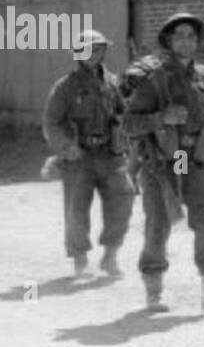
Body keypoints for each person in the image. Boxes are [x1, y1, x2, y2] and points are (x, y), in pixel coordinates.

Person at [122, 12, 204, 313]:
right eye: (180, 36)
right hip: (168, 160)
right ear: (169, 41)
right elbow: (128, 124)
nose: (186, 41)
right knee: (159, 222)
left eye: (191, 35)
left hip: (198, 158)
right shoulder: (154, 79)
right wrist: (161, 118)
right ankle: (154, 293)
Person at [42, 29, 136, 277]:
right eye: (87, 49)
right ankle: (80, 259)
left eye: (98, 49)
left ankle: (111, 255)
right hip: (78, 157)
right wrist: (65, 147)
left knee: (123, 199)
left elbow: (127, 114)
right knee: (75, 209)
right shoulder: (66, 87)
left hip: (110, 154)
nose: (93, 54)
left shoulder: (114, 84)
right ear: (77, 53)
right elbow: (51, 121)